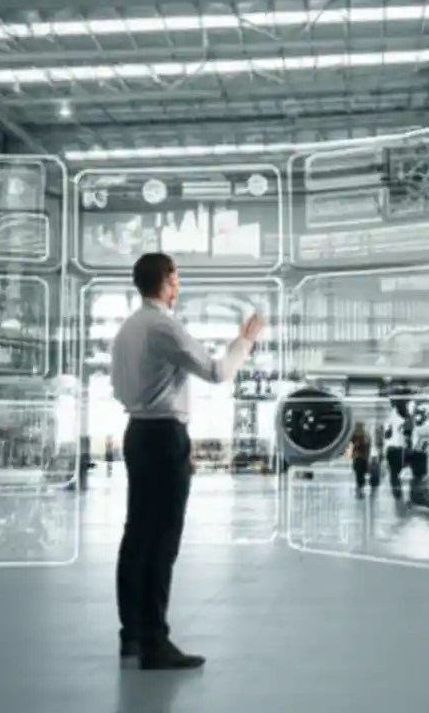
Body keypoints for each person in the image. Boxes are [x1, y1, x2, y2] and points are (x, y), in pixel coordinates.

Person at [110, 252, 264, 670]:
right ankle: (156, 642)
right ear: (166, 281)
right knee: (162, 540)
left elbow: (118, 387)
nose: (178, 287)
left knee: (137, 536)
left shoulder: (128, 328)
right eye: (176, 280)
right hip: (162, 437)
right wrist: (244, 342)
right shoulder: (163, 326)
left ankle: (133, 635)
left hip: (138, 434)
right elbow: (216, 372)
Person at [349, 422, 377, 497]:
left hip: (357, 457)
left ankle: (360, 488)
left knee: (359, 474)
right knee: (361, 474)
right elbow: (368, 447)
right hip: (363, 458)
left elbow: (351, 444)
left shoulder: (354, 435)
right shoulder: (366, 436)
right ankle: (360, 488)